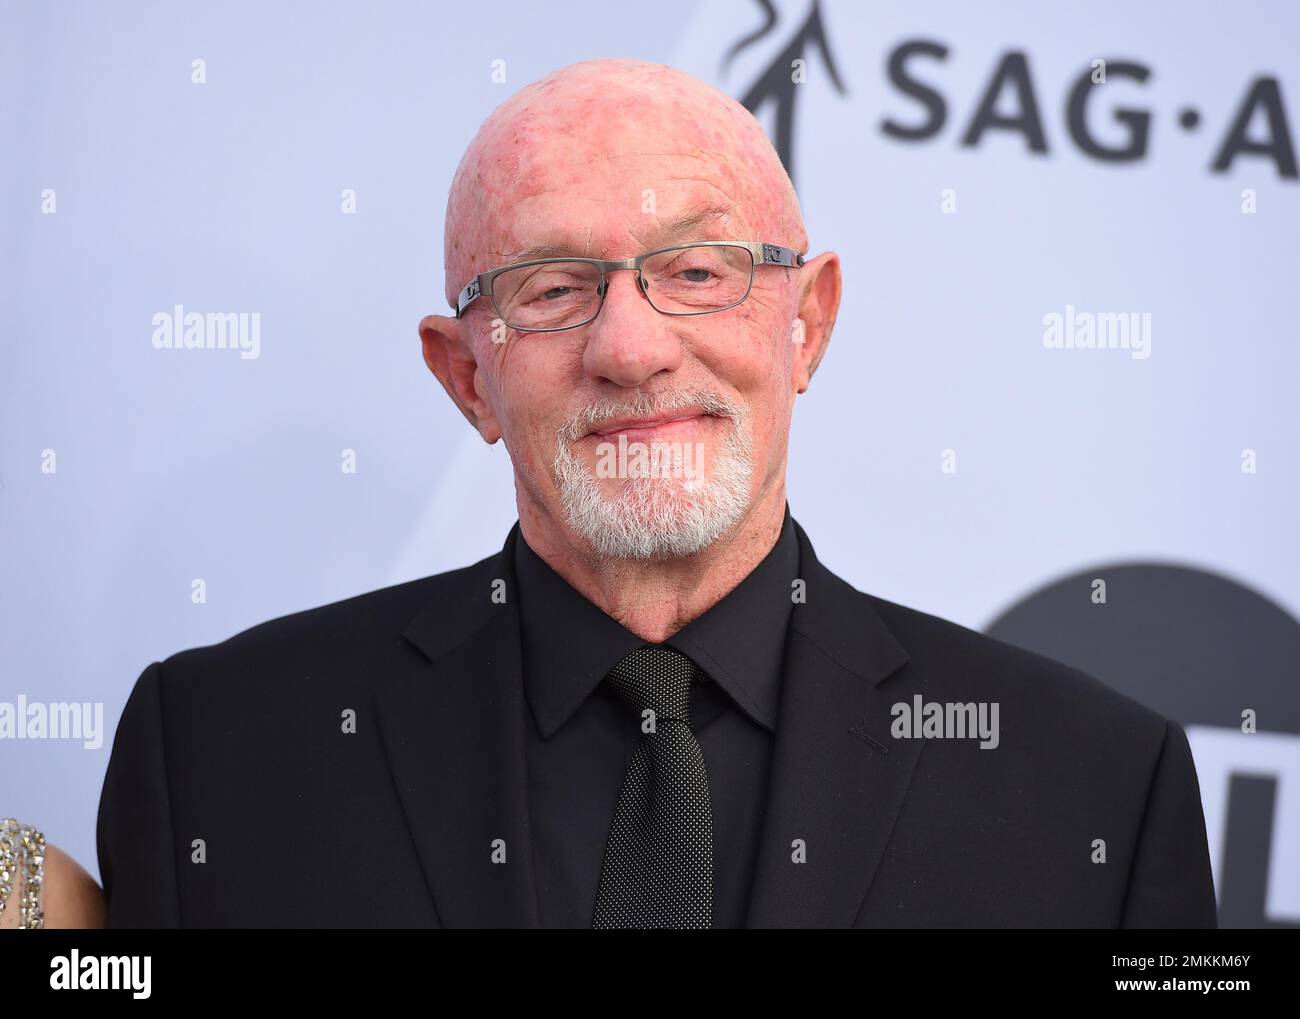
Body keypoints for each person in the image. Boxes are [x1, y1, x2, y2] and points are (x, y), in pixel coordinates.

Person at [95, 57, 1217, 928]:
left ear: (806, 322)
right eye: (550, 287)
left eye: (695, 270)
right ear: (465, 375)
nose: (630, 348)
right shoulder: (217, 749)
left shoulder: (1095, 787)